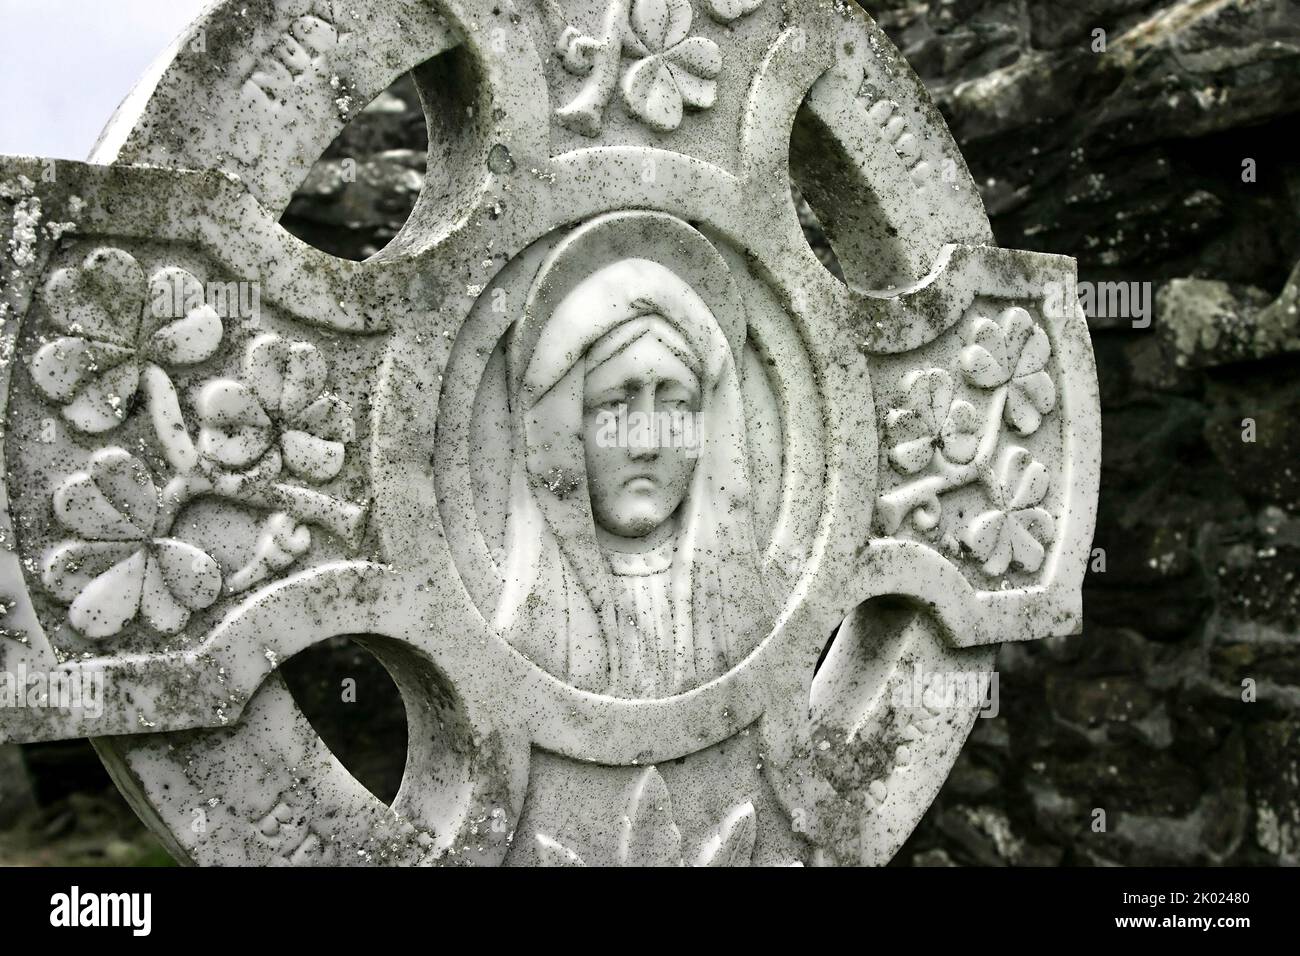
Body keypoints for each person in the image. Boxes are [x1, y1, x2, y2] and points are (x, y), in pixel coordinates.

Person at [495, 214, 772, 698]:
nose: (646, 442)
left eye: (675, 406)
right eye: (614, 406)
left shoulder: (747, 626)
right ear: (558, 431)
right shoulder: (523, 633)